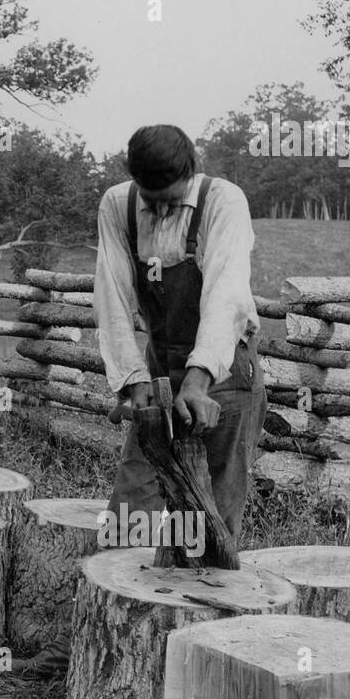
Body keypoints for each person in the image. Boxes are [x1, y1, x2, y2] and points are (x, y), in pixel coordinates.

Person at [95, 123, 265, 544]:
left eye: (170, 200)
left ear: (191, 171)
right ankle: (120, 599)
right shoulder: (117, 205)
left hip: (224, 373)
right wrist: (133, 380)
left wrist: (198, 379)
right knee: (129, 515)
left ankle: (210, 598)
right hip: (158, 375)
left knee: (211, 520)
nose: (163, 212)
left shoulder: (223, 201)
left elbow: (226, 297)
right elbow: (111, 296)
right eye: (153, 202)